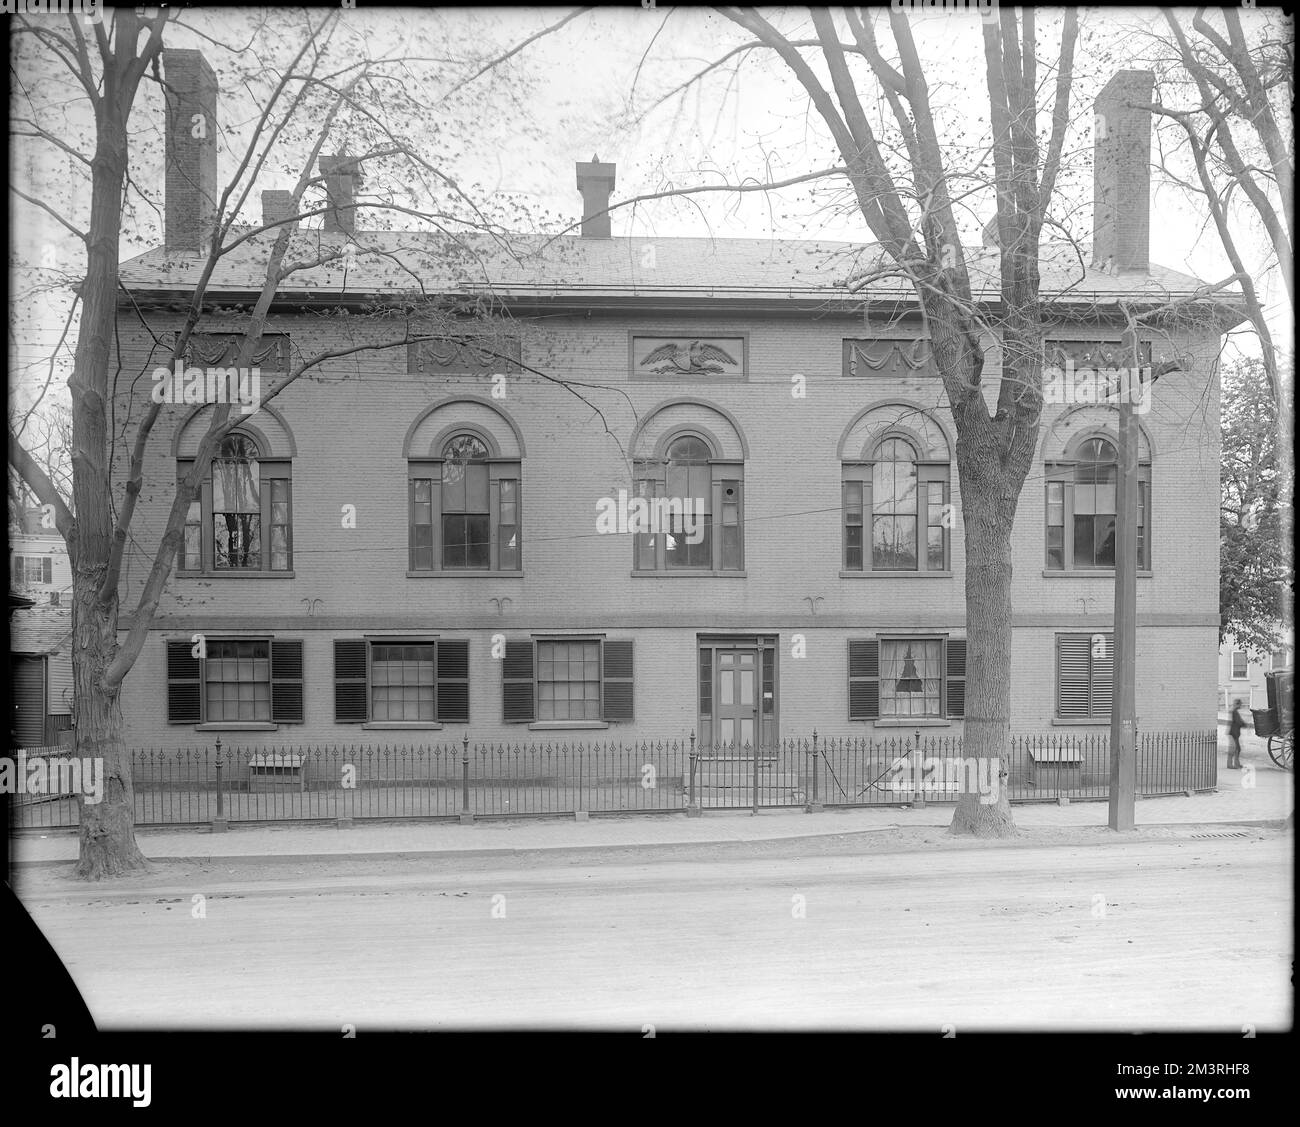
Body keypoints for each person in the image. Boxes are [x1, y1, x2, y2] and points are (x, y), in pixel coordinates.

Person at [1227, 699, 1248, 769]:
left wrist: (1243, 723)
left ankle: (1236, 763)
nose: (1240, 705)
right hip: (1233, 733)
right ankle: (1231, 764)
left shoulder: (1234, 711)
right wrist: (1244, 724)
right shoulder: (1234, 712)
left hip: (1234, 732)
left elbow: (1238, 721)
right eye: (1240, 704)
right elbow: (1238, 721)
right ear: (1237, 704)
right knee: (1235, 749)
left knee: (1237, 749)